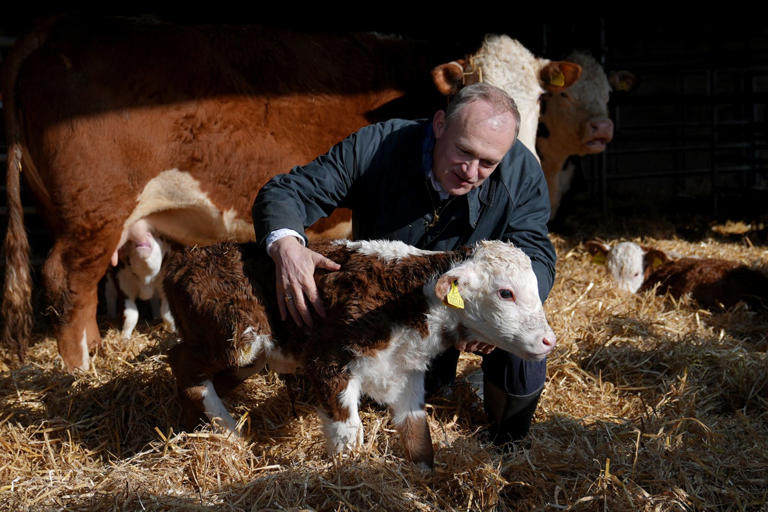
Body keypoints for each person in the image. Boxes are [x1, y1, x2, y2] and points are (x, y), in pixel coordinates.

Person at [252, 83, 556, 444]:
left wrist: (490, 305)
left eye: (488, 163)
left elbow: (536, 253)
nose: (472, 171)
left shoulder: (521, 175)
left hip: (463, 302)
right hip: (384, 315)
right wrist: (286, 246)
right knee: (369, 390)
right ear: (440, 124)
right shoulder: (379, 146)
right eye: (463, 151)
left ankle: (507, 442)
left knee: (527, 345)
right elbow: (288, 191)